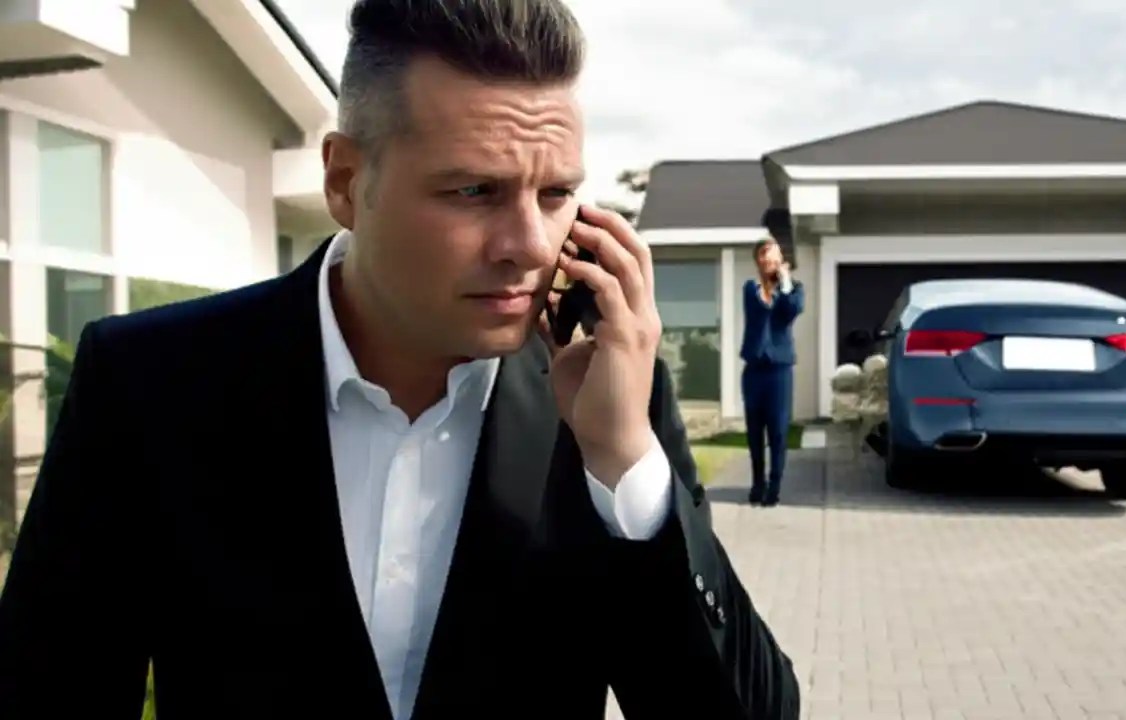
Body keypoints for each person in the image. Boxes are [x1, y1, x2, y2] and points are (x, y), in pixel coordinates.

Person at [0, 1, 800, 718]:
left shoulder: (609, 402)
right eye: (473, 192)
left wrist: (626, 465)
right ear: (348, 181)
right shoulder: (150, 386)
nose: (528, 246)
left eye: (555, 195)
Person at [739, 237, 805, 507]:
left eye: (773, 257)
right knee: (755, 432)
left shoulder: (794, 289)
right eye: (764, 258)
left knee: (778, 431)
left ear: (781, 260)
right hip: (754, 371)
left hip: (779, 371)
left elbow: (792, 311)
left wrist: (785, 282)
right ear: (758, 262)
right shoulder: (750, 289)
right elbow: (761, 311)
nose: (769, 262)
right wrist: (772, 290)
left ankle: (774, 487)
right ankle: (757, 484)